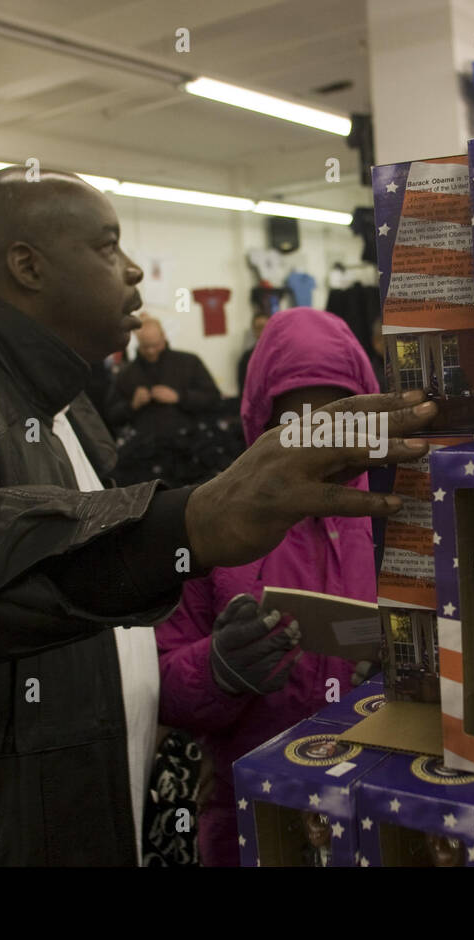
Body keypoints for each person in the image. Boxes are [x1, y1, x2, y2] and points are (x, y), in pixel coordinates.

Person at [0, 166, 436, 866]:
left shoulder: (68, 415)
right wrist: (194, 525)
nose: (132, 275)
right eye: (107, 248)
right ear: (27, 265)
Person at [156, 306, 379, 868]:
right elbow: (157, 682)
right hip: (249, 809)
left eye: (334, 423)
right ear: (262, 423)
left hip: (369, 800)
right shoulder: (214, 525)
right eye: (292, 428)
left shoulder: (388, 519)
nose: (312, 446)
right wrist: (217, 671)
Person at [111, 316, 221, 434]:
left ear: (163, 336)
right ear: (138, 342)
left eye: (155, 345)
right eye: (145, 346)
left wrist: (179, 397)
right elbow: (111, 416)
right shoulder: (126, 373)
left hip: (190, 440)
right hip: (145, 446)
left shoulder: (189, 362)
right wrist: (132, 405)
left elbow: (214, 399)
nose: (151, 351)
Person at [236, 312, 269, 394]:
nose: (263, 332)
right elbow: (243, 393)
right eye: (259, 328)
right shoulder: (246, 359)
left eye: (266, 327)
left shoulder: (282, 355)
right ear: (254, 331)